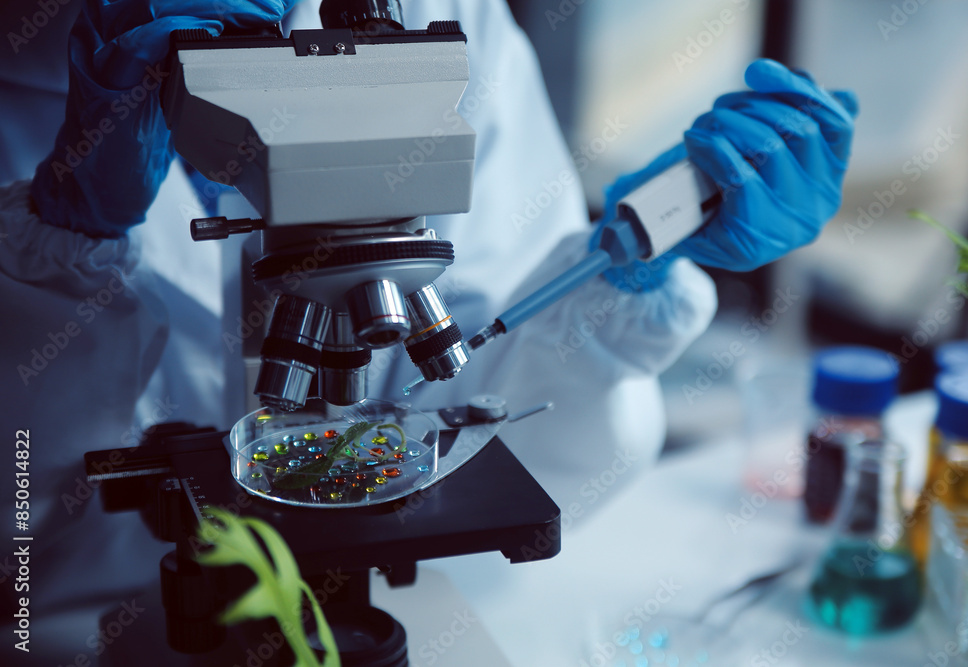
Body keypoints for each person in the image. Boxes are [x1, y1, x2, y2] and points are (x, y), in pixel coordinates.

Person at [0, 0, 856, 661]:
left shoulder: (439, 21)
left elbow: (499, 388)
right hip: (77, 629)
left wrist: (624, 278)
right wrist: (63, 236)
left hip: (416, 599)